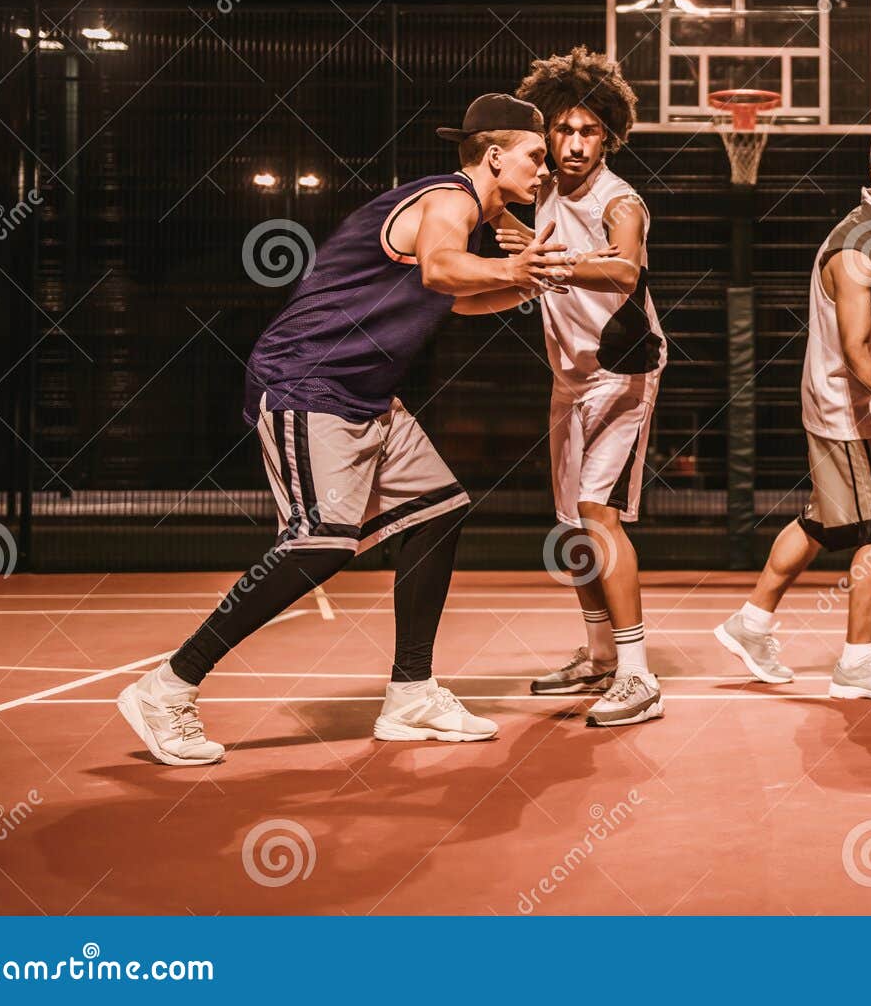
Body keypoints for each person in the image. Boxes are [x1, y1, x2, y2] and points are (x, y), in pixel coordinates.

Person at [116, 93, 597, 765]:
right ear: (494, 156)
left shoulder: (470, 222)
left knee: (438, 513)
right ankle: (167, 687)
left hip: (366, 394)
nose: (544, 170)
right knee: (320, 544)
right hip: (308, 380)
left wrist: (530, 283)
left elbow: (456, 299)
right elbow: (439, 267)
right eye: (535, 156)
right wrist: (515, 266)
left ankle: (411, 695)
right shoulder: (449, 200)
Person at [714, 120, 871, 701]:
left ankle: (752, 622)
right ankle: (857, 663)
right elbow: (854, 348)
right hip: (852, 409)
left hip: (842, 401)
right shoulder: (861, 245)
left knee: (821, 520)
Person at [500, 47, 668, 728]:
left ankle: (638, 676)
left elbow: (625, 270)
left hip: (624, 375)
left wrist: (556, 263)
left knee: (598, 514)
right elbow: (516, 238)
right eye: (563, 130)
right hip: (569, 379)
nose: (573, 144)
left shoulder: (619, 200)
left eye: (588, 131)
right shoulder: (538, 192)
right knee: (570, 525)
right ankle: (600, 657)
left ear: (610, 136)